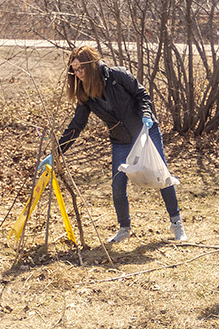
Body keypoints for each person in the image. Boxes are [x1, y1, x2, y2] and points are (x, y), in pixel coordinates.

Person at [54, 46, 186, 244]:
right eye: (74, 69)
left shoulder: (117, 75)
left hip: (145, 132)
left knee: (162, 176)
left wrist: (147, 116)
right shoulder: (84, 93)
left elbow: (142, 95)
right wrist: (57, 152)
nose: (78, 74)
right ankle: (124, 228)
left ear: (91, 65)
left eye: (81, 68)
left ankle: (177, 225)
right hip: (121, 140)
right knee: (117, 185)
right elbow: (77, 125)